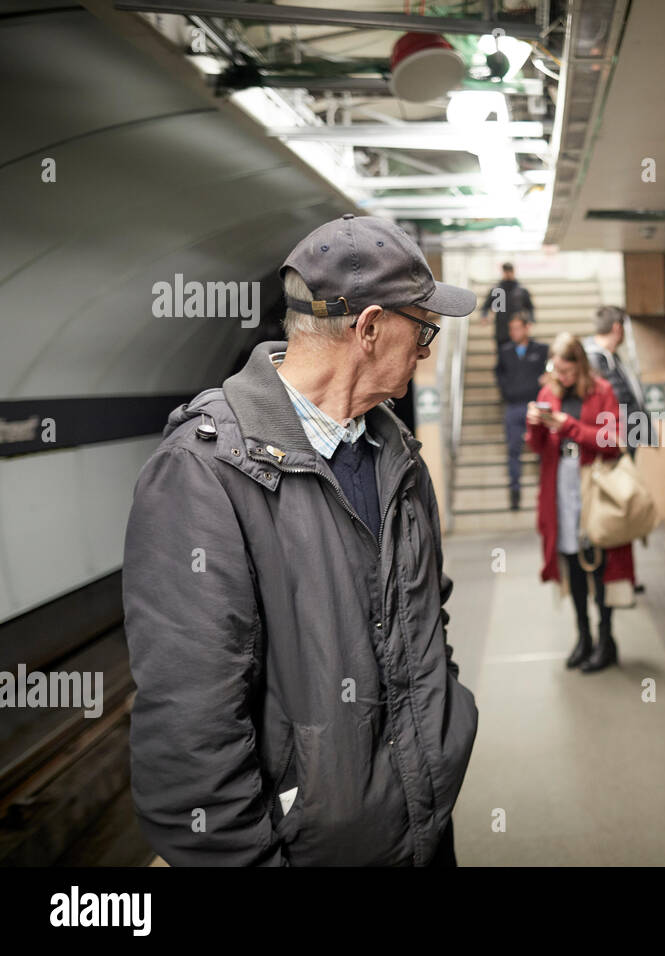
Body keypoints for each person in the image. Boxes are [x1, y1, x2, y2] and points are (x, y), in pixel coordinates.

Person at [122, 213, 479, 866]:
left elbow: (428, 615)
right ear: (369, 328)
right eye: (422, 329)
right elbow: (190, 731)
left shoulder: (395, 455)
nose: (427, 348)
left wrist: (445, 728)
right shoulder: (204, 476)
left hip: (424, 829)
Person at [526, 333, 635, 673]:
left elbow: (613, 441)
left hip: (593, 483)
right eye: (557, 370)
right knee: (571, 563)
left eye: (568, 371)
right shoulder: (549, 392)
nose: (562, 377)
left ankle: (606, 640)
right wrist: (536, 427)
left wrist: (569, 425)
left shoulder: (601, 391)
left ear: (581, 366)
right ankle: (583, 637)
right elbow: (537, 447)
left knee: (599, 559)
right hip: (560, 485)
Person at [495, 312, 549, 511]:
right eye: (511, 329)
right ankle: (515, 491)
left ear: (527, 328)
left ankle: (546, 487)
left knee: (542, 448)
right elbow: (498, 374)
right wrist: (506, 391)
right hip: (514, 406)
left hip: (535, 405)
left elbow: (549, 371)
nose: (514, 332)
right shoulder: (505, 351)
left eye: (518, 328)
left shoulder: (541, 350)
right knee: (513, 450)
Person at [583, 305, 650, 458]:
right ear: (617, 328)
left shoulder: (610, 357)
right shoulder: (594, 359)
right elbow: (615, 398)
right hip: (613, 436)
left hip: (622, 432)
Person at [479, 262, 535, 350]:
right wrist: (484, 316)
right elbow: (485, 306)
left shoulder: (521, 290)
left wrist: (530, 320)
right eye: (506, 271)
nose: (508, 274)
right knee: (502, 354)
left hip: (517, 327)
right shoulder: (496, 290)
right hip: (501, 328)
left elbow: (530, 307)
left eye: (510, 271)